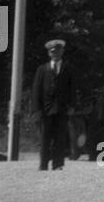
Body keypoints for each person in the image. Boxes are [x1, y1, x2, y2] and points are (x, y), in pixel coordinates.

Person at [32, 39, 76, 171]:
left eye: (58, 51)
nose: (55, 54)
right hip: (46, 110)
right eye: (52, 52)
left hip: (62, 109)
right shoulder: (42, 69)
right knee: (45, 137)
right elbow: (36, 90)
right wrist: (36, 109)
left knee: (60, 137)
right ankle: (43, 164)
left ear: (62, 51)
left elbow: (73, 88)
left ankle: (57, 164)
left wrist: (72, 106)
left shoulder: (68, 68)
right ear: (49, 53)